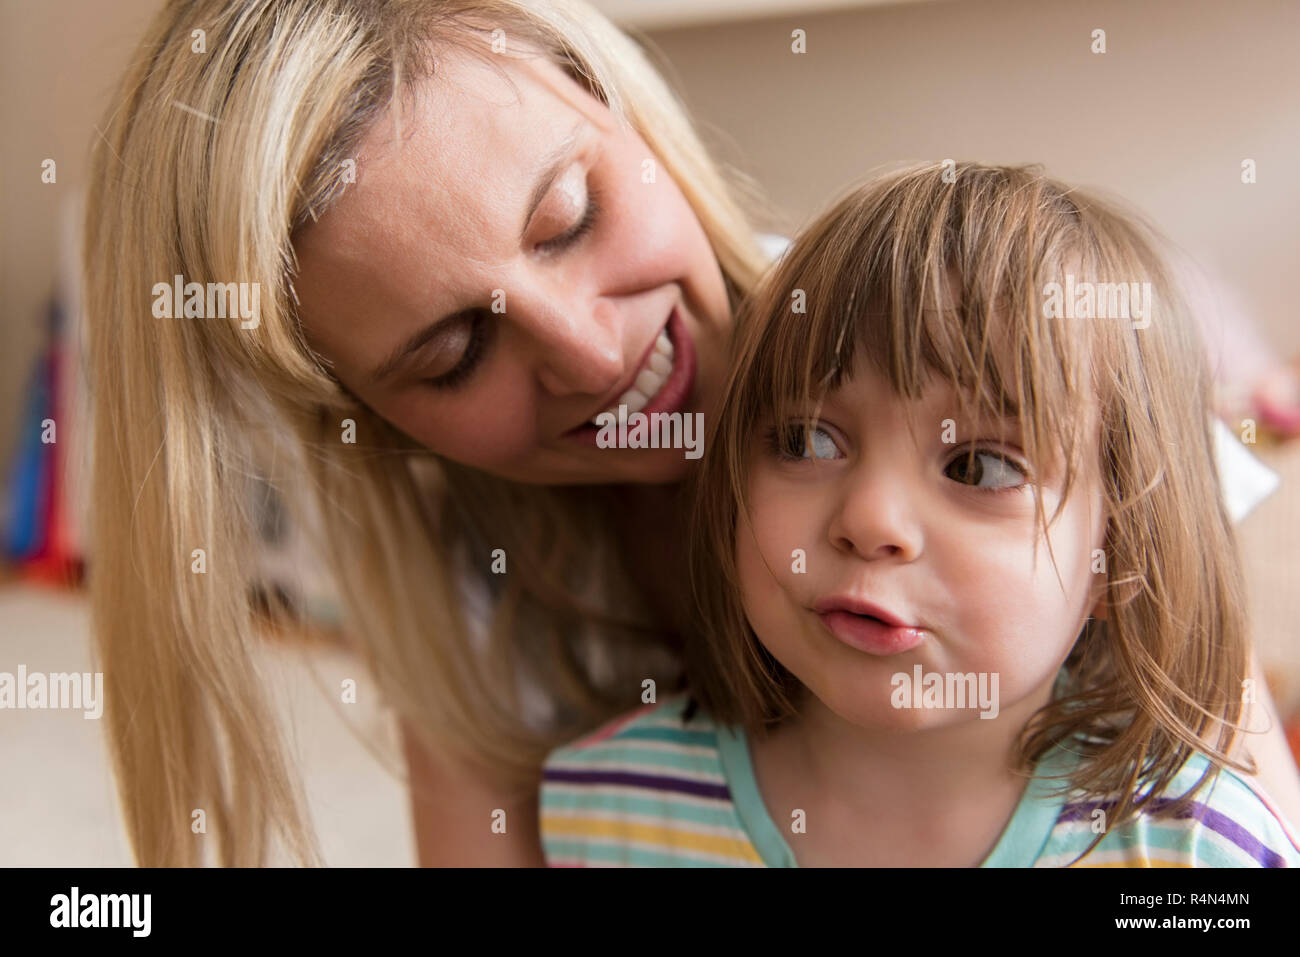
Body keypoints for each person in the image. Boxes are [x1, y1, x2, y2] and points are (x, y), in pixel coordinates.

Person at [83, 1, 1297, 866]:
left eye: (567, 219)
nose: (594, 353)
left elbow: (1228, 774)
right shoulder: (471, 600)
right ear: (373, 420)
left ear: (617, 101)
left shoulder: (988, 354)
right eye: (455, 355)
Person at [538, 163, 1300, 867]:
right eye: (808, 440)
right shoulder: (606, 810)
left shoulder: (1195, 850)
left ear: (1119, 557)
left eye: (981, 465)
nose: (871, 519)